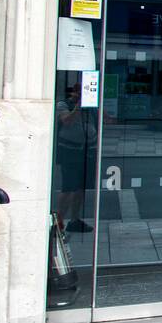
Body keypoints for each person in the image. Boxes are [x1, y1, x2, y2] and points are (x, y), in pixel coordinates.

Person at [55, 82, 95, 232]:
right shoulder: (63, 104)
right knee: (68, 187)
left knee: (80, 187)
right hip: (70, 150)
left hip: (87, 149)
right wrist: (78, 105)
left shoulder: (90, 106)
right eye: (79, 92)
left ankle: (74, 219)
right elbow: (67, 120)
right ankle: (58, 221)